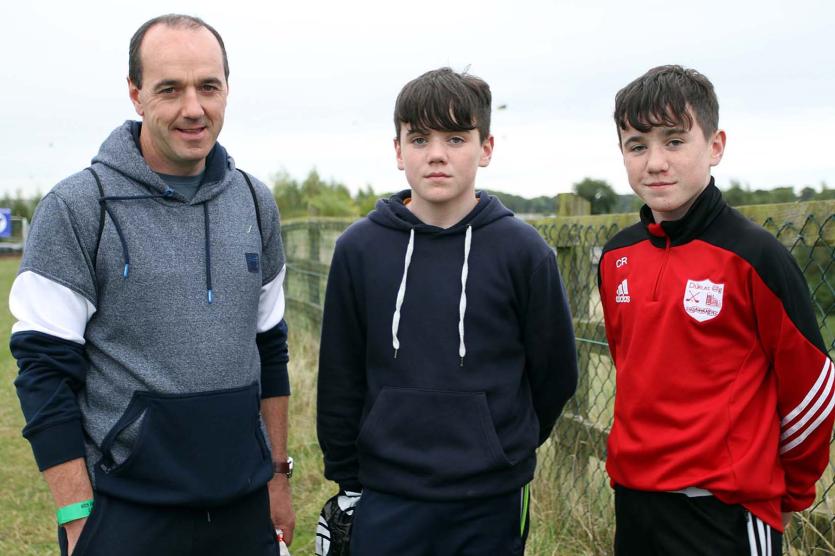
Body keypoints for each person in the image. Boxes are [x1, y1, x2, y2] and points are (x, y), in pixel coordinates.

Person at [9, 14, 295, 555]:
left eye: (208, 86)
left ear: (227, 90)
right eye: (170, 89)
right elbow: (43, 374)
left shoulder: (256, 204)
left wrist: (278, 479)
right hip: (125, 512)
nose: (194, 108)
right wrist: (77, 518)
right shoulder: (77, 208)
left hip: (243, 507)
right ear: (136, 95)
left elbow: (270, 348)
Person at [316, 67, 578, 555]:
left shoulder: (523, 251)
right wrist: (348, 482)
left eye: (456, 137)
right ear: (398, 150)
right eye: (419, 138)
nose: (436, 154)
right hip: (386, 494)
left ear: (486, 148)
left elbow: (555, 374)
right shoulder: (360, 249)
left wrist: (499, 446)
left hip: (491, 498)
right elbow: (339, 375)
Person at [599, 64, 835, 555]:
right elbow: (633, 365)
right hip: (637, 504)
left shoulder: (754, 256)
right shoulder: (617, 257)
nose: (655, 162)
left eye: (674, 141)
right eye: (637, 145)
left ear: (715, 146)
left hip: (724, 512)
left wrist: (788, 492)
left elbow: (812, 387)